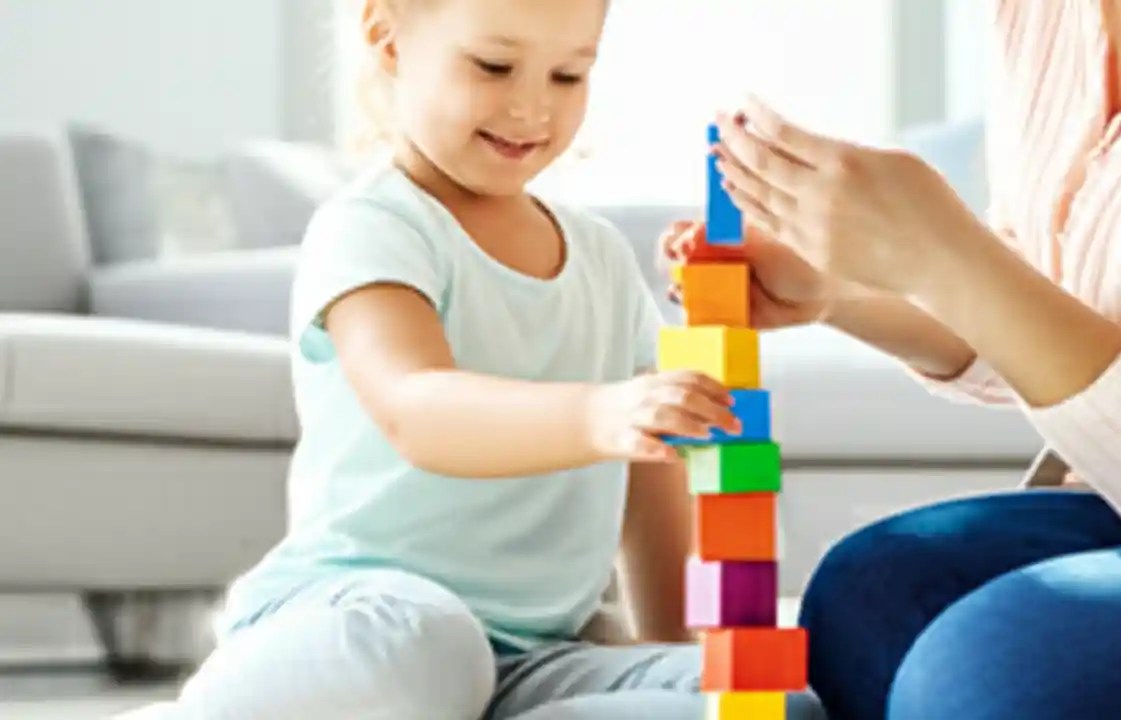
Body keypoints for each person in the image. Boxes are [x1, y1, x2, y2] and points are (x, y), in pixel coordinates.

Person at [157, 0, 824, 718]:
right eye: (494, 66)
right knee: (429, 650)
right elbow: (416, 407)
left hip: (540, 658)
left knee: (775, 705)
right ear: (388, 40)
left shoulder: (599, 257)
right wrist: (599, 415)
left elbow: (650, 485)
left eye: (569, 75)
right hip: (365, 621)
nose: (532, 107)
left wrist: (681, 651)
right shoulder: (375, 226)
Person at [663, 0, 1121, 717]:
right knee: (867, 599)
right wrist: (838, 291)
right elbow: (1041, 311)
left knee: (976, 682)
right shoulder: (1048, 14)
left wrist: (941, 251)